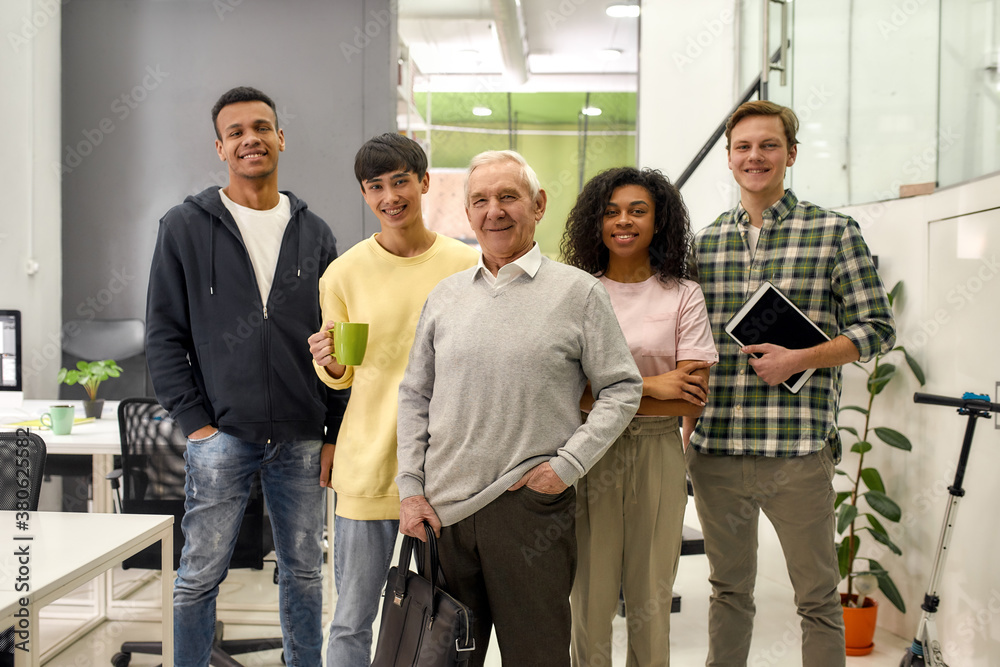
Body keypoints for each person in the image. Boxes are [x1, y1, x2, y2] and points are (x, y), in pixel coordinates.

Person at [395, 150, 643, 667]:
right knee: (442, 662)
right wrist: (411, 490)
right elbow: (416, 395)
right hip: (443, 515)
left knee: (537, 657)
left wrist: (565, 468)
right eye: (480, 200)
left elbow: (622, 388)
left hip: (529, 510)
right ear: (468, 214)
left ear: (538, 204)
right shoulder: (445, 296)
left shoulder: (578, 293)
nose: (494, 211)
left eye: (508, 196)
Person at [686, 100, 896, 667]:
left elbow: (878, 328)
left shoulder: (834, 233)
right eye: (744, 147)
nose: (756, 157)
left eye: (769, 145)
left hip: (797, 453)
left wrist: (802, 356)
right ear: (729, 160)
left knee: (818, 599)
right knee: (729, 592)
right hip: (718, 453)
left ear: (791, 154)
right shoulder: (703, 246)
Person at [146, 86, 344, 667]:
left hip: (302, 434)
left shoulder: (316, 232)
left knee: (305, 573)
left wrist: (332, 428)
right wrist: (195, 422)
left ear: (281, 138)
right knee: (199, 574)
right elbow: (163, 332)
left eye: (261, 127)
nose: (250, 138)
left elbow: (338, 336)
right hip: (222, 436)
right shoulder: (184, 226)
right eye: (236, 132)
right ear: (220, 147)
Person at [307, 133, 478, 666]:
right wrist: (328, 358)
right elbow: (340, 377)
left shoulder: (465, 264)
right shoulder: (344, 272)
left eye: (400, 180)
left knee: (438, 618)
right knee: (352, 619)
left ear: (424, 183)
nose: (390, 196)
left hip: (445, 470)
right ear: (365, 194)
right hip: (368, 466)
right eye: (375, 186)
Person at [561, 166, 718, 667]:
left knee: (652, 595)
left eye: (637, 211)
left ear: (658, 222)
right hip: (589, 451)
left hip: (657, 448)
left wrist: (603, 389)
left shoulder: (682, 294)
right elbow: (564, 392)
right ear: (596, 223)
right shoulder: (577, 292)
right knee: (590, 597)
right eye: (610, 212)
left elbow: (690, 397)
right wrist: (651, 384)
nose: (622, 222)